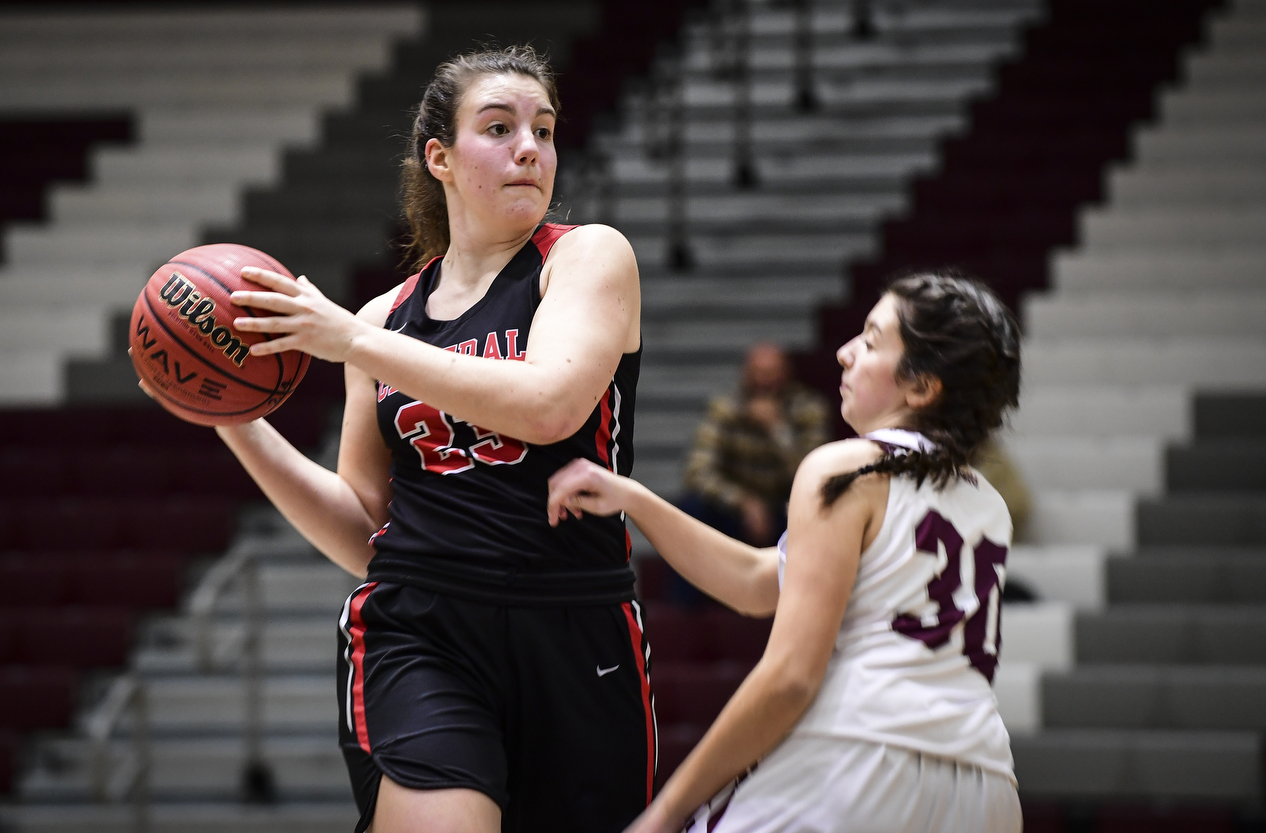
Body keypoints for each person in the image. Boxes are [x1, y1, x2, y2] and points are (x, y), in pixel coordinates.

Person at [211, 46, 650, 833]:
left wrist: (354, 343)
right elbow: (363, 525)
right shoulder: (383, 319)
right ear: (439, 158)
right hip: (424, 628)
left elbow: (549, 406)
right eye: (500, 127)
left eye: (545, 130)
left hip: (576, 621)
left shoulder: (585, 256)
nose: (530, 148)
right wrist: (230, 415)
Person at [548, 272, 1023, 832]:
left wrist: (665, 813)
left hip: (863, 758)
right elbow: (757, 582)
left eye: (871, 341)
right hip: (986, 784)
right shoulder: (987, 502)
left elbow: (792, 677)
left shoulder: (846, 468)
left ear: (921, 387)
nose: (845, 352)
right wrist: (634, 498)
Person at [680, 341, 830, 547]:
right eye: (758, 372)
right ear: (745, 374)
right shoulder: (724, 409)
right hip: (734, 509)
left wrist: (778, 431)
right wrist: (743, 502)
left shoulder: (809, 410)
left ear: (787, 374)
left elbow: (816, 475)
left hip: (785, 507)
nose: (764, 380)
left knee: (820, 510)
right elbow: (698, 471)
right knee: (692, 507)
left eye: (772, 373)